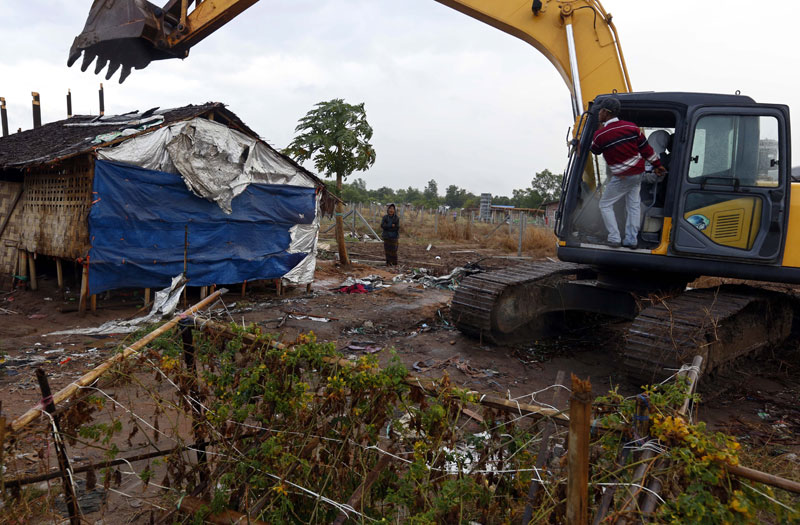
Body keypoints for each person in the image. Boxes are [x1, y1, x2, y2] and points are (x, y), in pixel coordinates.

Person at [591, 97, 667, 249]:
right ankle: (631, 240)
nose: (598, 113)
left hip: (622, 176)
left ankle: (614, 238)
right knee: (633, 206)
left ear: (606, 112)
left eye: (600, 111)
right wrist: (657, 165)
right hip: (637, 174)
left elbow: (595, 150)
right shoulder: (632, 128)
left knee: (605, 205)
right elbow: (647, 150)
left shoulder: (601, 135)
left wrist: (599, 130)